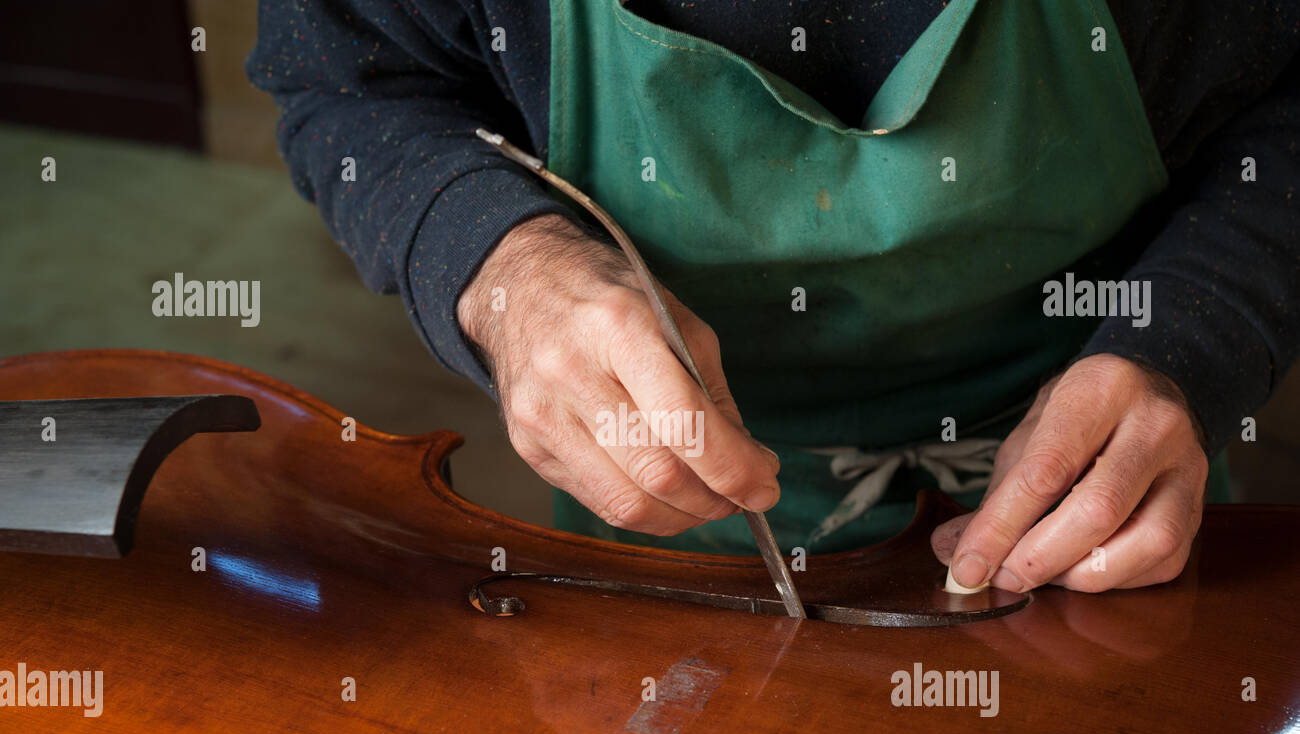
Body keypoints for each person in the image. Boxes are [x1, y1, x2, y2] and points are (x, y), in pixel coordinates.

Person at [248, 1, 1299, 593]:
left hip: (1097, 502)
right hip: (663, 524)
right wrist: (502, 268)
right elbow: (347, 86)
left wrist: (1196, 337)